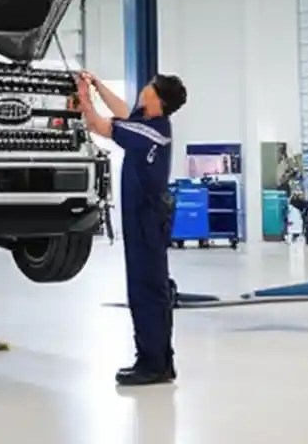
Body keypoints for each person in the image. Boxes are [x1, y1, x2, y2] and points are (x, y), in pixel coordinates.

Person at [76, 71, 187, 386]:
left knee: (145, 289)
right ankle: (161, 361)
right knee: (153, 287)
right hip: (148, 217)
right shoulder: (151, 124)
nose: (144, 88)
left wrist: (83, 97)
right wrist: (98, 86)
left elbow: (100, 124)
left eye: (150, 87)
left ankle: (152, 364)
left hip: (146, 220)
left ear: (156, 98)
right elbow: (123, 113)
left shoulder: (149, 133)